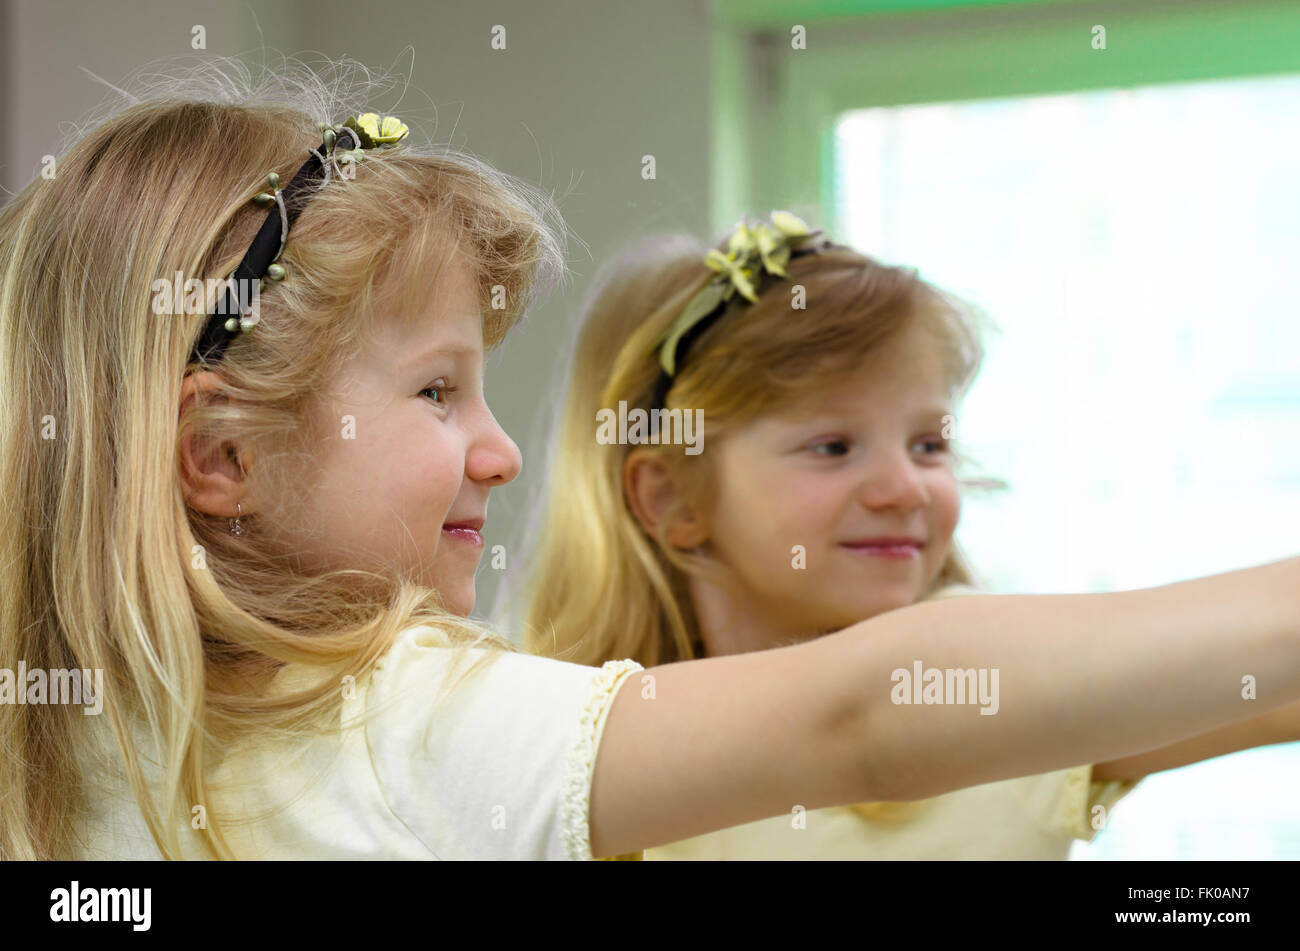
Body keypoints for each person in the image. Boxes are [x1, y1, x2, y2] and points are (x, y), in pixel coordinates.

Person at [2, 57, 1297, 861]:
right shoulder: (404, 727)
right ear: (219, 451)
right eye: (439, 388)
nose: (501, 449)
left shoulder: (51, 746)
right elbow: (868, 710)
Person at [507, 216, 1300, 858]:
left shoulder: (1017, 701)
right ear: (671, 495)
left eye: (929, 444)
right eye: (833, 447)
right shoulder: (596, 761)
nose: (905, 488)